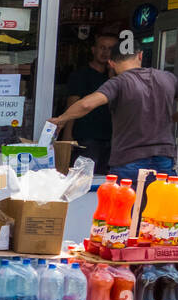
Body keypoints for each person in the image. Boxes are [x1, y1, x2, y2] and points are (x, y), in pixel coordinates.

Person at [52, 42, 178, 200]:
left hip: (129, 161)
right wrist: (171, 118)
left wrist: (62, 119)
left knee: (124, 217)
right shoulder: (167, 78)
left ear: (111, 63)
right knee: (159, 217)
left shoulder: (119, 82)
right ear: (140, 56)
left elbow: (86, 104)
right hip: (164, 161)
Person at [61, 30, 116, 175]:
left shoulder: (116, 78)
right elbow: (72, 104)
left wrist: (112, 75)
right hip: (86, 137)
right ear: (93, 50)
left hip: (111, 138)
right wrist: (68, 135)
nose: (106, 52)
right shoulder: (81, 75)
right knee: (83, 179)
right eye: (102, 47)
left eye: (110, 49)